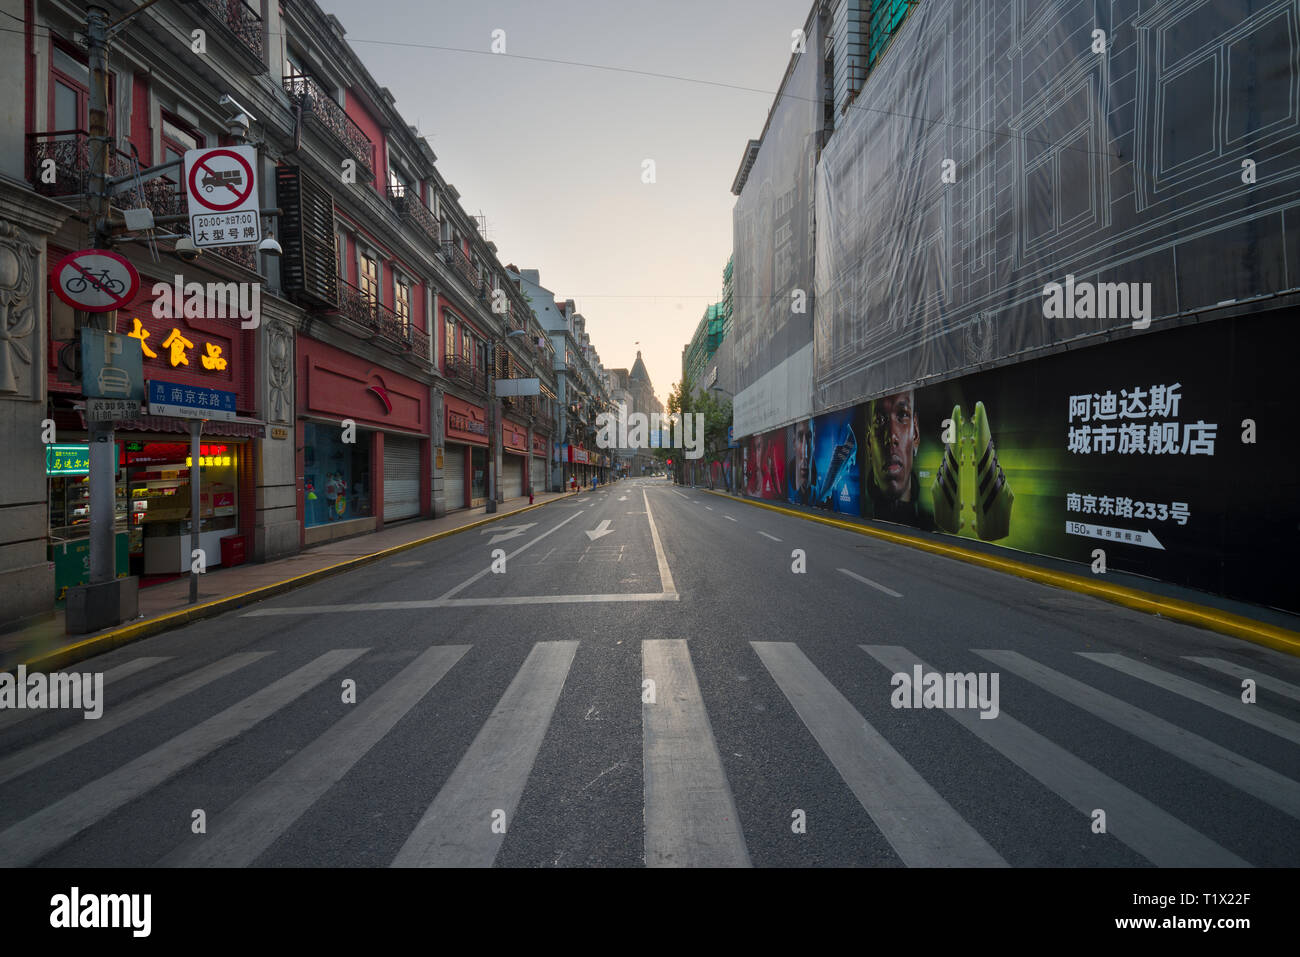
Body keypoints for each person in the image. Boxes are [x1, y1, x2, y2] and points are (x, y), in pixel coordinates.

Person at [866, 389, 933, 530]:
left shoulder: (933, 525)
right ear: (869, 443)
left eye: (902, 415)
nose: (891, 437)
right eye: (879, 420)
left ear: (915, 434)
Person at [786, 418, 815, 506]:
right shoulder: (784, 488)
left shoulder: (826, 497)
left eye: (809, 438)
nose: (805, 453)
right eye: (800, 438)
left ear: (814, 443)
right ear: (794, 443)